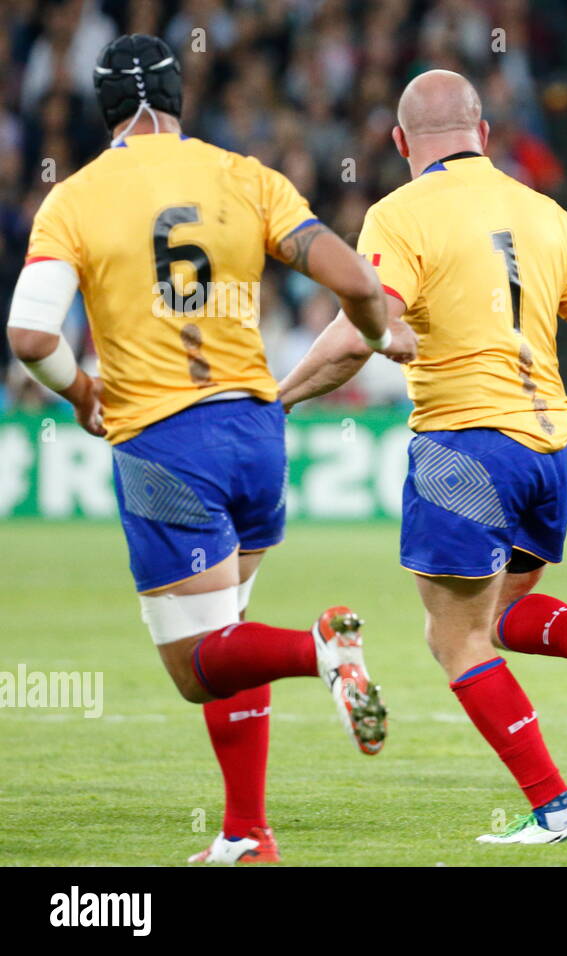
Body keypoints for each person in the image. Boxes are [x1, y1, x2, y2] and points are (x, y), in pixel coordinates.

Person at [5, 34, 418, 864]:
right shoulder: (245, 176)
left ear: (105, 108)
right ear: (179, 97)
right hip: (256, 432)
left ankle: (320, 652)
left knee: (198, 664)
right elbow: (356, 281)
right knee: (227, 637)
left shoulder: (76, 199)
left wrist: (83, 392)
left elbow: (29, 332)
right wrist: (382, 334)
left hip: (164, 441)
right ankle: (247, 834)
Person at [278, 70, 567, 845]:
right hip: (549, 450)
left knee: (453, 638)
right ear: (484, 134)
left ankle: (556, 811)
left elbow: (362, 330)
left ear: (399, 144)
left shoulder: (398, 214)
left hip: (464, 446)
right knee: (502, 614)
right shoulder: (543, 211)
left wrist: (276, 401)